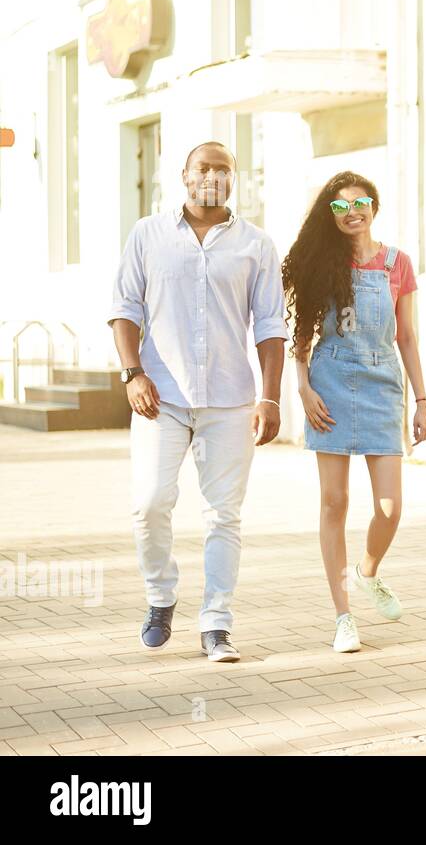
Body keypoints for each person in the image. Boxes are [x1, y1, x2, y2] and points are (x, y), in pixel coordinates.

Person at [109, 141, 287, 662]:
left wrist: (270, 398)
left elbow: (271, 326)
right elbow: (124, 307)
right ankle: (161, 597)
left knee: (223, 515)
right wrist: (131, 373)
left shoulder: (257, 244)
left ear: (234, 179)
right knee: (149, 503)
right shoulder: (148, 234)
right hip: (158, 397)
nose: (211, 176)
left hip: (230, 400)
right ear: (185, 176)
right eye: (202, 167)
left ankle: (216, 622)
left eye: (222, 169)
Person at [282, 171, 426, 653]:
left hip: (384, 382)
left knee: (390, 508)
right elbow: (301, 335)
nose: (352, 213)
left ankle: (368, 571)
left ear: (373, 205)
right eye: (340, 207)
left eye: (359, 203)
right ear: (332, 215)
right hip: (330, 382)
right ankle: (343, 616)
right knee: (335, 502)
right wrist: (302, 389)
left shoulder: (397, 264)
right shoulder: (320, 263)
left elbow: (406, 337)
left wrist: (422, 401)